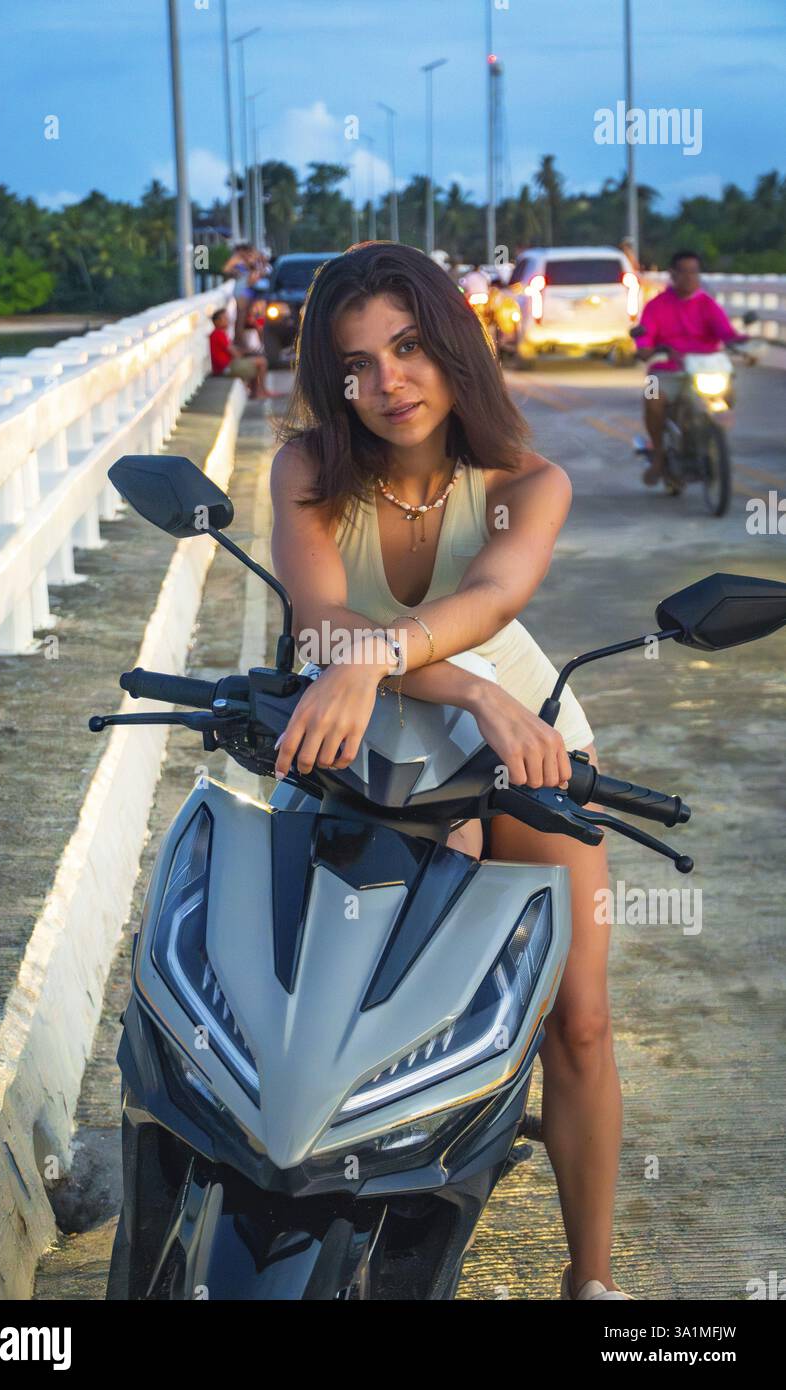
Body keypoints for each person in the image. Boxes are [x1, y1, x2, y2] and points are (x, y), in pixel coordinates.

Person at [269, 241, 632, 1300]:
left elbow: (487, 606)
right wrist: (459, 686)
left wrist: (397, 664)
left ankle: (591, 1282)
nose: (387, 381)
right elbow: (319, 619)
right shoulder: (307, 469)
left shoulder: (528, 482)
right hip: (386, 743)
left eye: (410, 346)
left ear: (454, 347)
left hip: (532, 739)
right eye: (356, 363)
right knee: (383, 1019)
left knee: (580, 1017)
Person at [634, 249, 748, 486]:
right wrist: (646, 348)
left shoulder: (707, 304)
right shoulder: (656, 306)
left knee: (729, 392)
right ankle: (658, 455)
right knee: (651, 397)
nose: (689, 277)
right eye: (683, 272)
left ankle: (708, 443)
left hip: (703, 369)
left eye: (694, 272)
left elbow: (726, 332)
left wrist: (742, 342)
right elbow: (644, 339)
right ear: (673, 275)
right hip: (662, 371)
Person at [209, 307, 272, 399]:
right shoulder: (219, 334)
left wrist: (246, 353)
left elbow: (233, 350)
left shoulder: (218, 333)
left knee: (254, 362)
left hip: (226, 367)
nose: (228, 320)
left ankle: (255, 392)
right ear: (217, 322)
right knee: (262, 362)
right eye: (225, 318)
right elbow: (235, 354)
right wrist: (245, 354)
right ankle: (262, 391)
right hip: (225, 369)